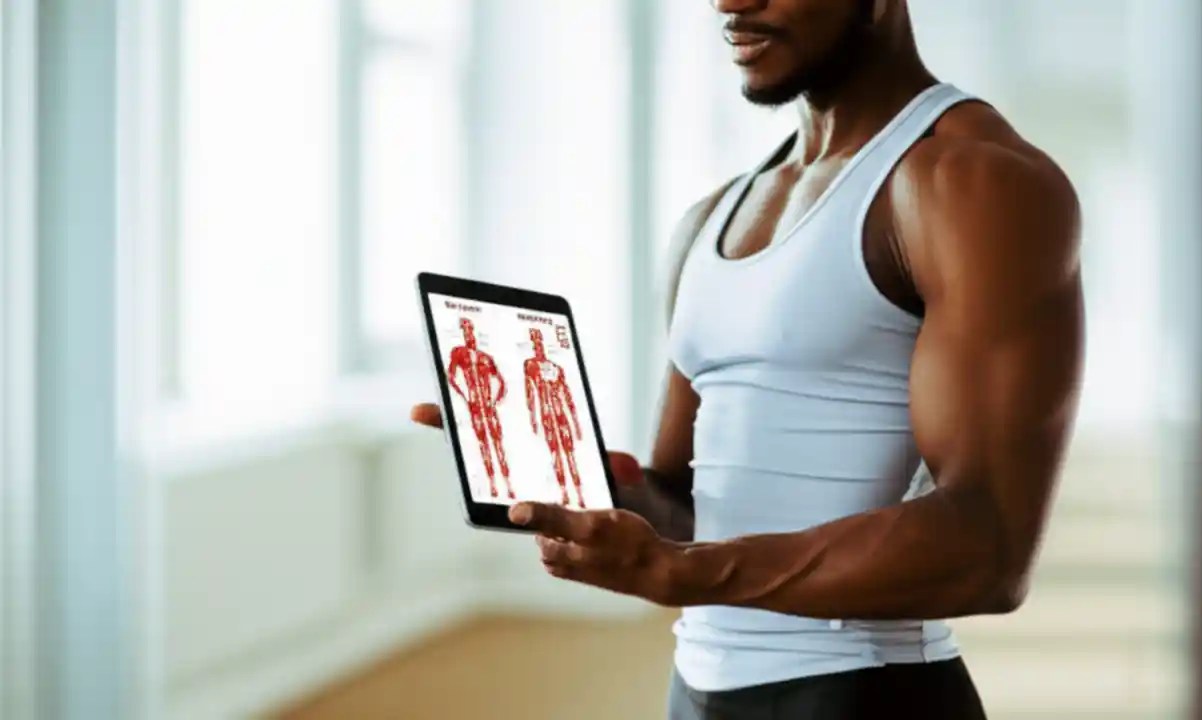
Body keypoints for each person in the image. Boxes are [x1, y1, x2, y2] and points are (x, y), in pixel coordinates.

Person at [413, 0, 1082, 716]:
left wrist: (682, 570)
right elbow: (683, 506)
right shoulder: (710, 219)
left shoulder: (975, 182)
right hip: (699, 692)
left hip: (868, 693)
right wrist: (599, 497)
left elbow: (989, 549)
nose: (730, 3)